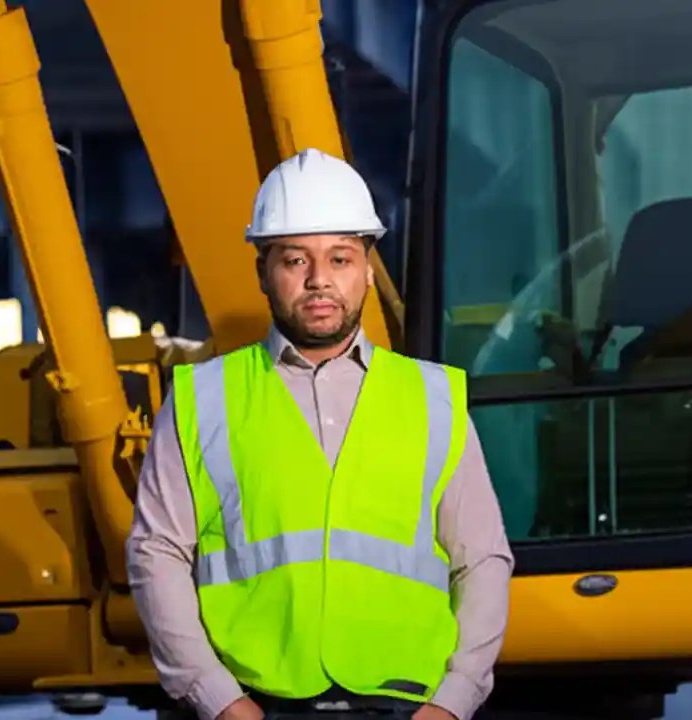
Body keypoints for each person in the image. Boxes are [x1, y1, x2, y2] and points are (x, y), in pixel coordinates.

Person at [126, 148, 513, 720]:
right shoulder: (200, 398)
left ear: (365, 267)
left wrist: (452, 703)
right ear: (263, 270)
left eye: (339, 258)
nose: (319, 281)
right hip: (255, 705)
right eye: (294, 260)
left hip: (405, 704)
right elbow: (155, 554)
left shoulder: (432, 398)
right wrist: (218, 699)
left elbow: (482, 559)